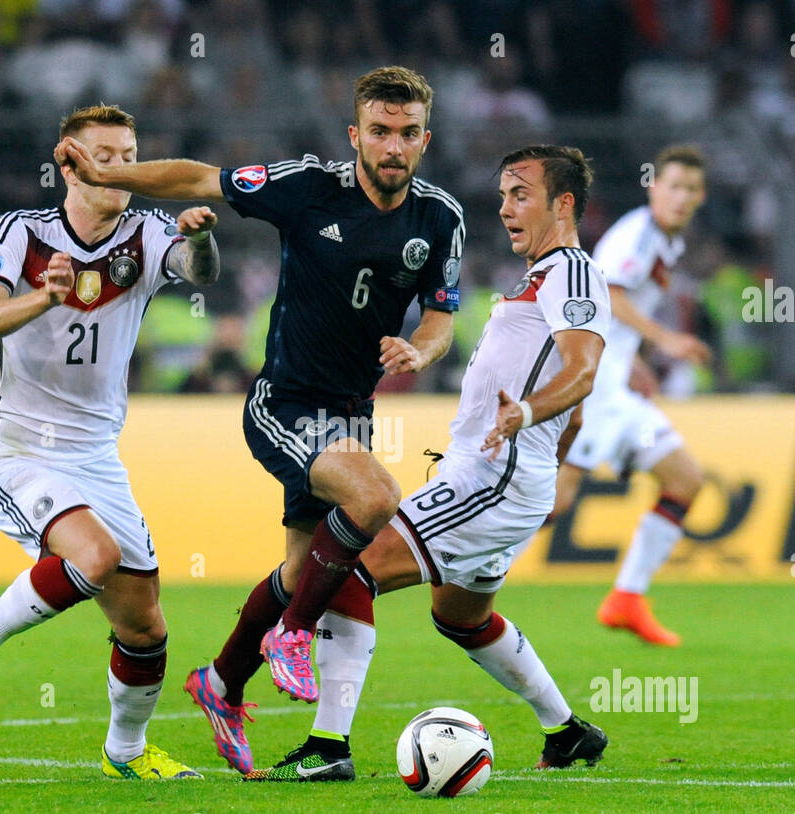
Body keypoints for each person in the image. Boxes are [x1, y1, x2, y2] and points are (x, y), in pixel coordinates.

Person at [56, 66, 465, 773]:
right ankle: (293, 635)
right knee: (375, 498)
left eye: (406, 134)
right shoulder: (309, 187)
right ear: (355, 136)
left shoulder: (441, 217)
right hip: (283, 403)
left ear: (424, 139)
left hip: (351, 414)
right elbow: (198, 179)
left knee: (306, 567)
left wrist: (420, 352)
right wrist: (111, 176)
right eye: (379, 132)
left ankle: (220, 683)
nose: (392, 147)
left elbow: (440, 317)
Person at [247, 145, 610, 780]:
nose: (505, 208)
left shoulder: (572, 275)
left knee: (349, 568)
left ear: (564, 203)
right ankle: (568, 731)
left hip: (492, 479)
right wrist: (543, 462)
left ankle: (327, 749)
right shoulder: (536, 278)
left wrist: (523, 420)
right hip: (502, 478)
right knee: (459, 616)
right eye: (502, 195)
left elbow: (582, 374)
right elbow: (571, 408)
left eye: (520, 194)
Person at [0, 105, 220, 780]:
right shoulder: (21, 233)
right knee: (95, 553)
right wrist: (42, 297)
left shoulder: (148, 233)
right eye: (106, 154)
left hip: (97, 456)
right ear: (68, 159)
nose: (122, 168)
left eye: (129, 154)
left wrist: (201, 237)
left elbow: (199, 271)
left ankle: (125, 750)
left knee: (145, 628)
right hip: (24, 448)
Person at [554, 144, 711, 647]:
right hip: (595, 388)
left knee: (685, 478)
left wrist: (636, 363)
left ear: (700, 196)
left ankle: (627, 598)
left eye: (691, 189)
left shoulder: (667, 241)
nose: (681, 197)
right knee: (553, 502)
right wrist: (665, 341)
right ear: (654, 187)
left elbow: (610, 311)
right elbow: (608, 294)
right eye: (674, 186)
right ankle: (439, 546)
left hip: (617, 385)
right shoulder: (639, 234)